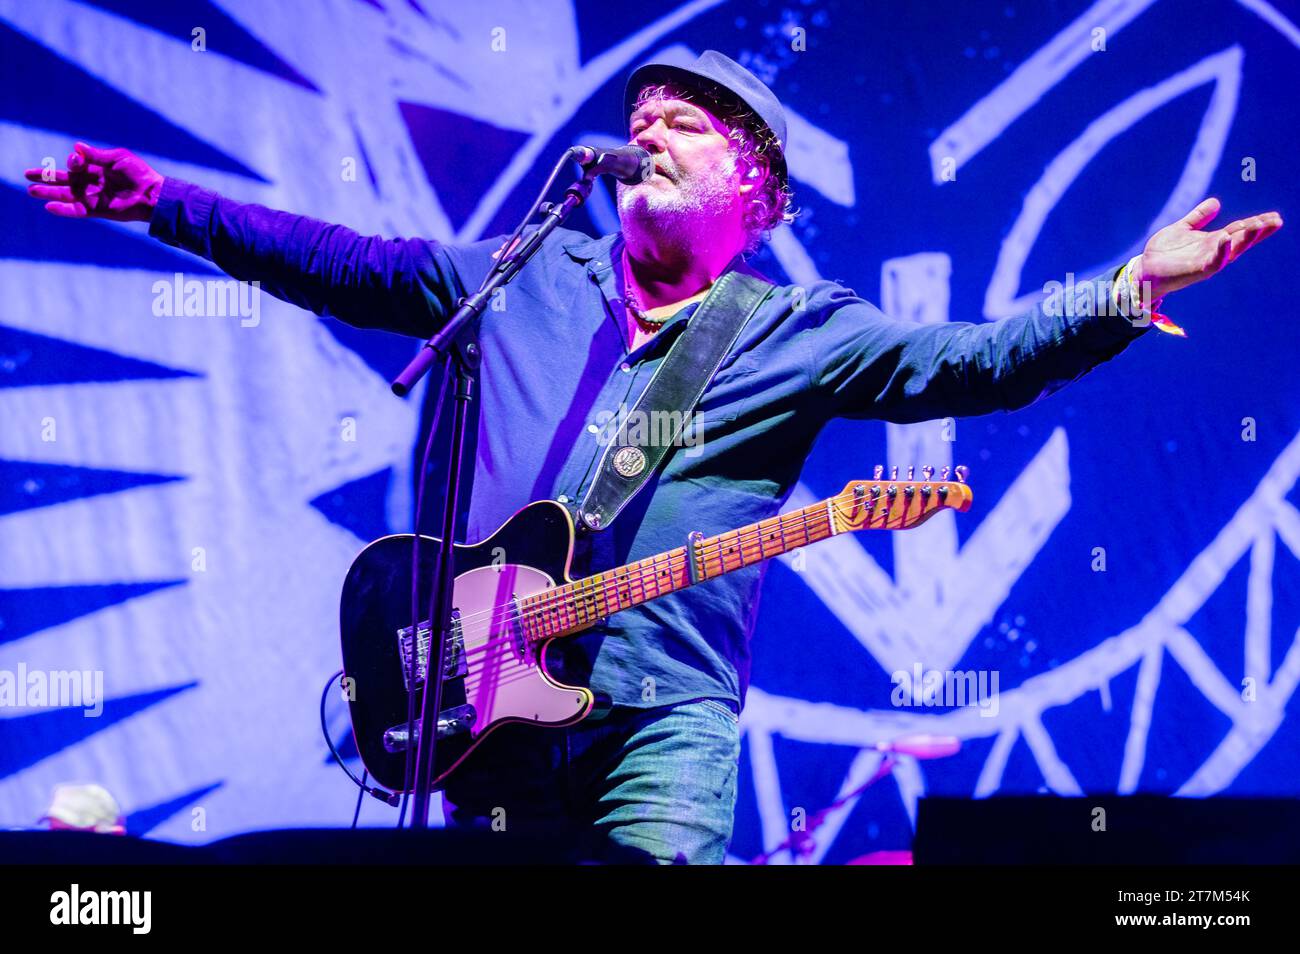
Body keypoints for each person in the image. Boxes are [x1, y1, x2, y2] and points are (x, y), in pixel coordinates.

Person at [24, 50, 1282, 864]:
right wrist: (158, 203)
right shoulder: (516, 278)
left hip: (660, 724)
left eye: (683, 124)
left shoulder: (797, 334)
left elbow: (979, 358)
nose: (651, 135)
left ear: (757, 187)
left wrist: (1120, 289)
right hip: (480, 713)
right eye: (640, 120)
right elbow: (340, 262)